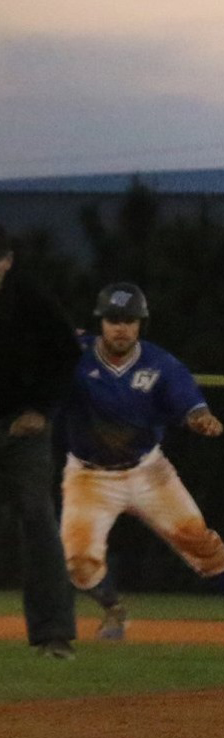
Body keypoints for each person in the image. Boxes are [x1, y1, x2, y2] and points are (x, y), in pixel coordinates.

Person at [59, 282, 224, 645]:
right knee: (78, 561)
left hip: (148, 470)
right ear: (100, 323)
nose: (121, 327)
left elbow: (188, 399)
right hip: (89, 476)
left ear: (141, 325)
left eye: (129, 320)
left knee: (199, 540)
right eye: (113, 319)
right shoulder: (77, 355)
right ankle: (113, 608)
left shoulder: (159, 363)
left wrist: (200, 416)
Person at [0, 226, 81, 660]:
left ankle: (54, 634)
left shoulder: (30, 299)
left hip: (22, 424)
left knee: (35, 514)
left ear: (8, 261)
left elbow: (67, 353)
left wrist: (42, 410)